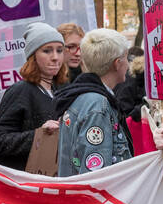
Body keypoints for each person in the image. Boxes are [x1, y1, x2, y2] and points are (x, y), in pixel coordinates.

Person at [54, 29, 134, 175]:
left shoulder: (81, 96)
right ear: (117, 63)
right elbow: (96, 175)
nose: (128, 66)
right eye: (126, 59)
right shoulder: (98, 106)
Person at [0, 22, 66, 170]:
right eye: (47, 51)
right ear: (33, 56)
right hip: (23, 184)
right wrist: (39, 135)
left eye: (59, 50)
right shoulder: (21, 90)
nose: (55, 57)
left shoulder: (59, 91)